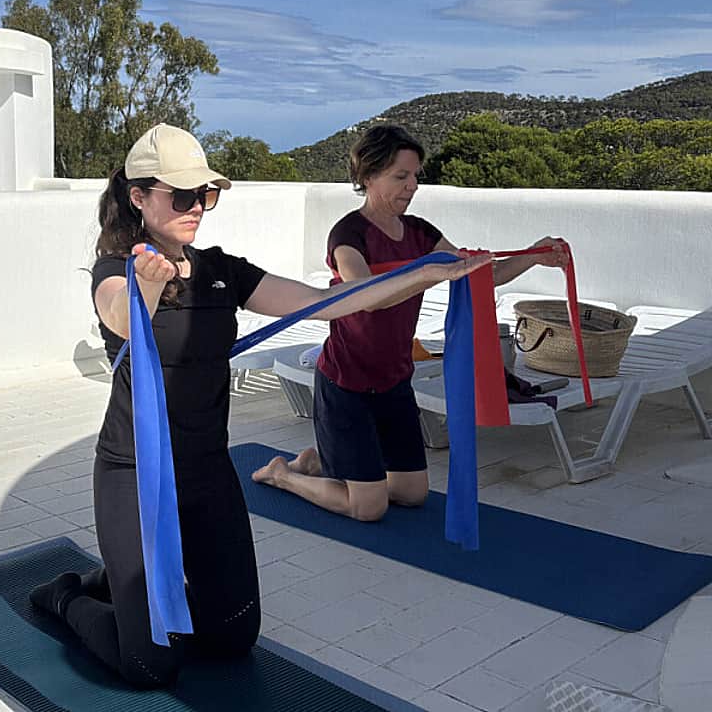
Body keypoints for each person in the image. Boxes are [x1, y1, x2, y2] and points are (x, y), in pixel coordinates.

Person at [29, 123, 490, 687]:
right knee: (149, 664)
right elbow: (124, 319)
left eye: (205, 195)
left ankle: (121, 583)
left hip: (206, 469)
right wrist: (146, 283)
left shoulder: (222, 271)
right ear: (139, 197)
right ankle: (69, 597)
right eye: (181, 195)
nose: (196, 208)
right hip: (136, 475)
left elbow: (326, 302)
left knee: (231, 636)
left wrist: (427, 274)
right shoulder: (118, 270)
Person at [252, 123, 568, 522]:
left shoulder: (420, 232)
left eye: (415, 175)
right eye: (400, 176)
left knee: (411, 493)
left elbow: (479, 275)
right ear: (368, 177)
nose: (412, 186)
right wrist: (426, 275)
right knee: (369, 508)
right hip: (346, 382)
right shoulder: (348, 234)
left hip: (394, 379)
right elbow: (365, 296)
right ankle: (284, 474)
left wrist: (534, 255)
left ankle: (321, 462)